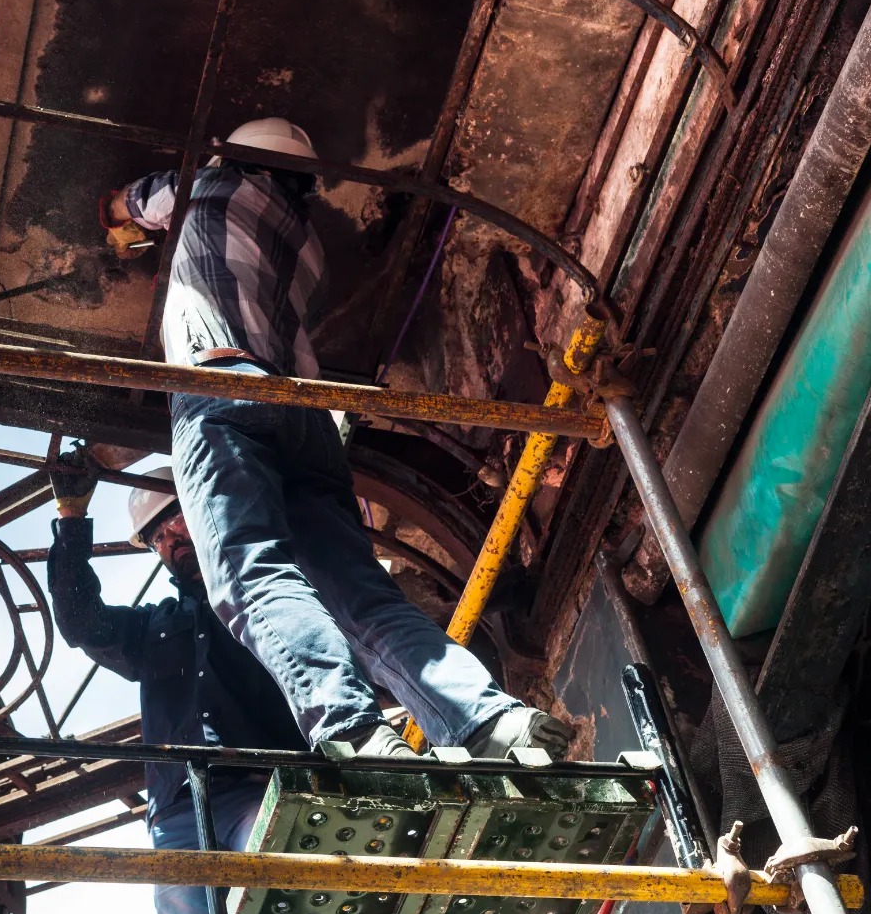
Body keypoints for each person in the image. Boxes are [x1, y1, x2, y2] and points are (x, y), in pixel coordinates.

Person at [101, 117, 573, 763]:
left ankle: (351, 729)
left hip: (219, 382)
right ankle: (491, 721)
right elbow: (306, 368)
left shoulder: (208, 188)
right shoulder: (312, 258)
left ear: (236, 158)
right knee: (361, 595)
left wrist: (114, 216)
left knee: (250, 575)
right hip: (301, 413)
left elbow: (135, 202)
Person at [46, 456, 305, 914]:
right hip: (177, 807)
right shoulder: (153, 629)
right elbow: (81, 620)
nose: (170, 541)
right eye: (155, 537)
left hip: (260, 785)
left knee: (282, 898)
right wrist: (72, 520)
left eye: (173, 521)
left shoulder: (264, 593)